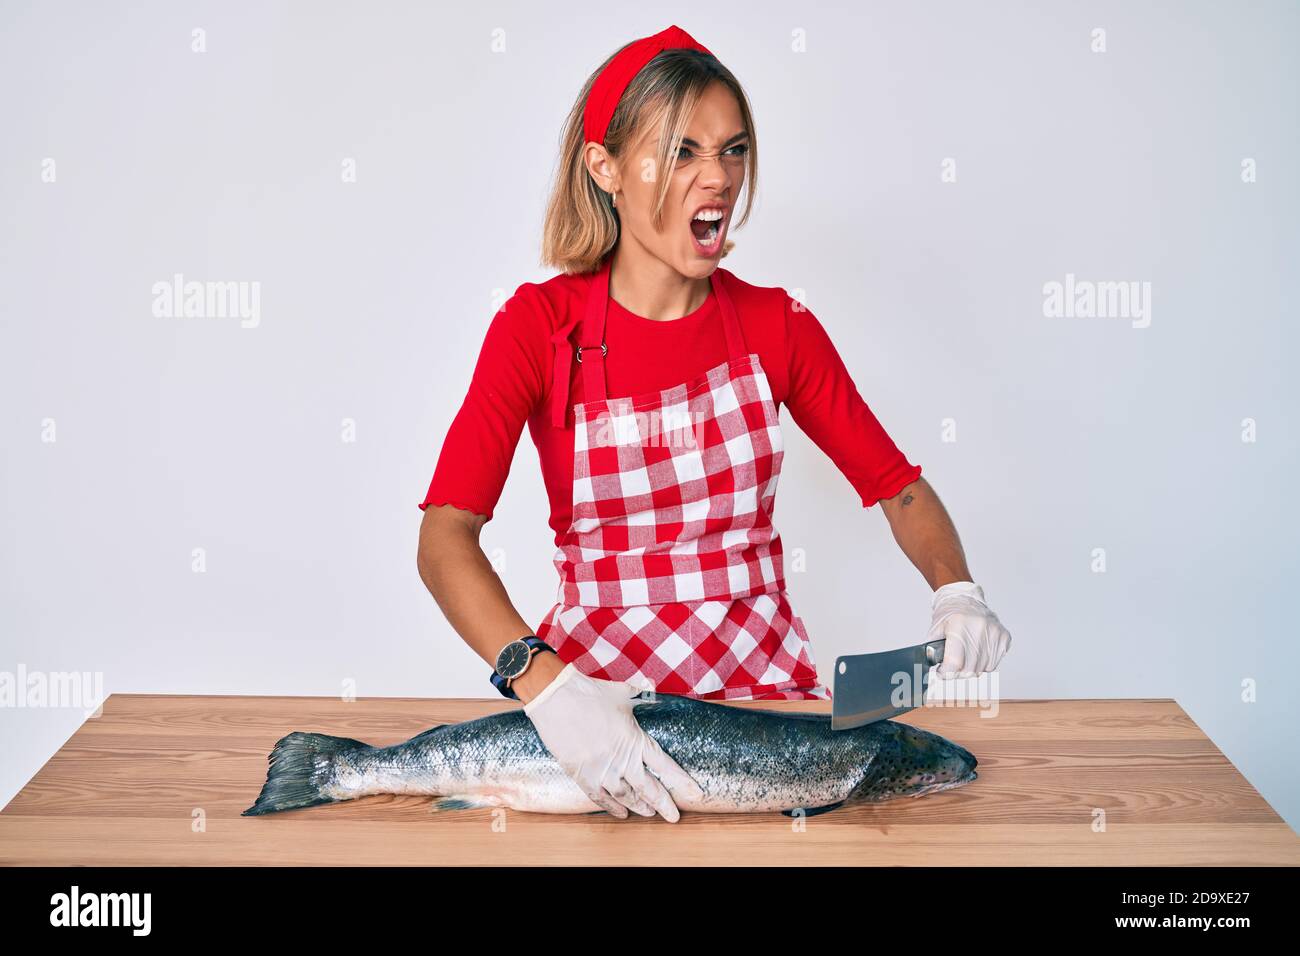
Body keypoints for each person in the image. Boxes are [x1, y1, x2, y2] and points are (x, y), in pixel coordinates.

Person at [415, 25, 1012, 823]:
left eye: (733, 151)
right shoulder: (538, 328)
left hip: (761, 702)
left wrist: (956, 590)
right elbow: (444, 539)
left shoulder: (778, 325)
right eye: (682, 152)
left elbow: (897, 488)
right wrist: (545, 686)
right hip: (598, 713)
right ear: (605, 168)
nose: (719, 178)